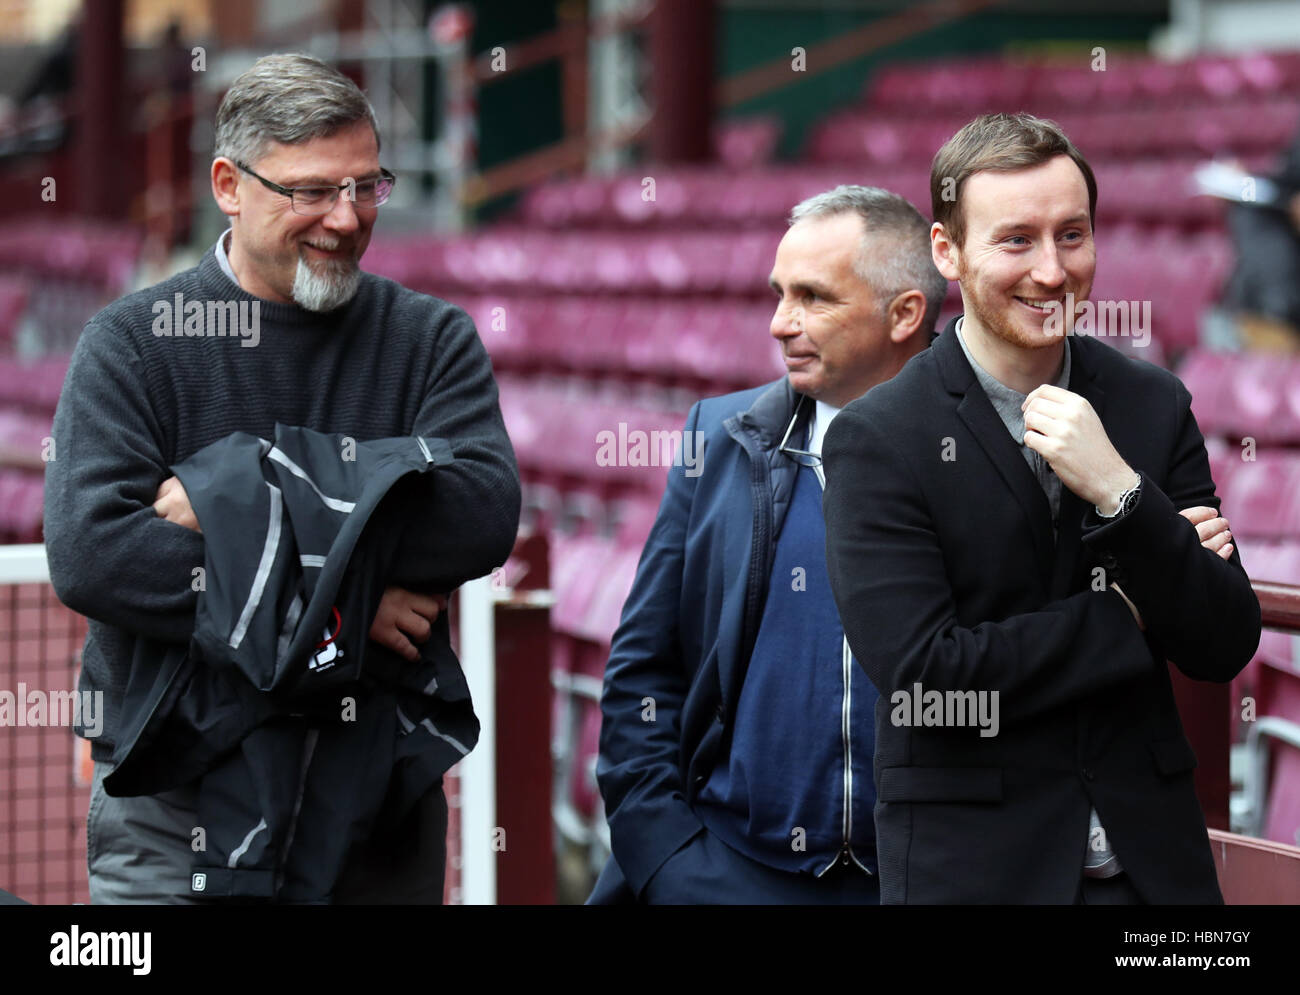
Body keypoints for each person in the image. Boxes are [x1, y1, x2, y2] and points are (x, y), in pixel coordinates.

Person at [43, 53, 519, 904]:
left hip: (375, 789)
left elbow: (479, 513)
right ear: (229, 183)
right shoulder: (131, 343)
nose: (346, 217)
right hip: (171, 791)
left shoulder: (432, 340)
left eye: (367, 186)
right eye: (311, 191)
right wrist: (344, 607)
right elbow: (95, 554)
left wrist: (231, 498)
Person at [822, 112, 1262, 905]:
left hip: (1155, 875)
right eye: (1016, 240)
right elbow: (929, 682)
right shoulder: (878, 439)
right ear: (946, 252)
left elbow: (1222, 639)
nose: (1053, 272)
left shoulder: (1152, 403)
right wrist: (1123, 615)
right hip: (980, 873)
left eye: (1073, 235)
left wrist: (1123, 493)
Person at [589, 186, 948, 904]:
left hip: (925, 879)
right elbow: (642, 674)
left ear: (905, 313)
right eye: (779, 294)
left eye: (813, 298)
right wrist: (669, 863)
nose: (782, 323)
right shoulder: (718, 438)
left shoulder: (984, 451)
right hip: (730, 874)